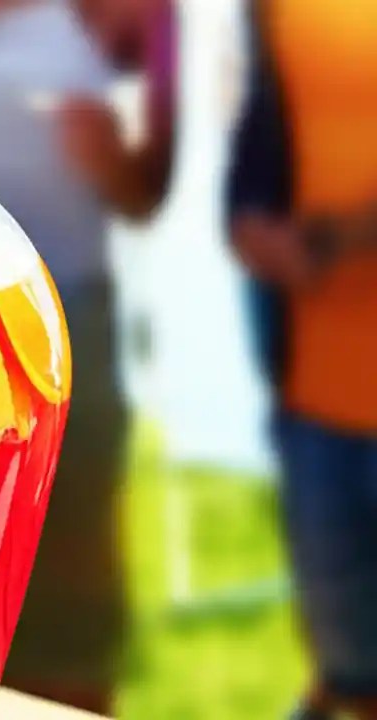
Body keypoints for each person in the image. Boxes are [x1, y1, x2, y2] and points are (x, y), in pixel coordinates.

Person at [0, 0, 176, 713]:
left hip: (72, 317)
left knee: (71, 570)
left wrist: (107, 159)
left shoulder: (122, 15)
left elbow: (151, 185)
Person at [226, 1, 377, 718]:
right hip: (315, 385)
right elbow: (263, 137)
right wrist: (252, 221)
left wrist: (349, 231)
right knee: (346, 650)